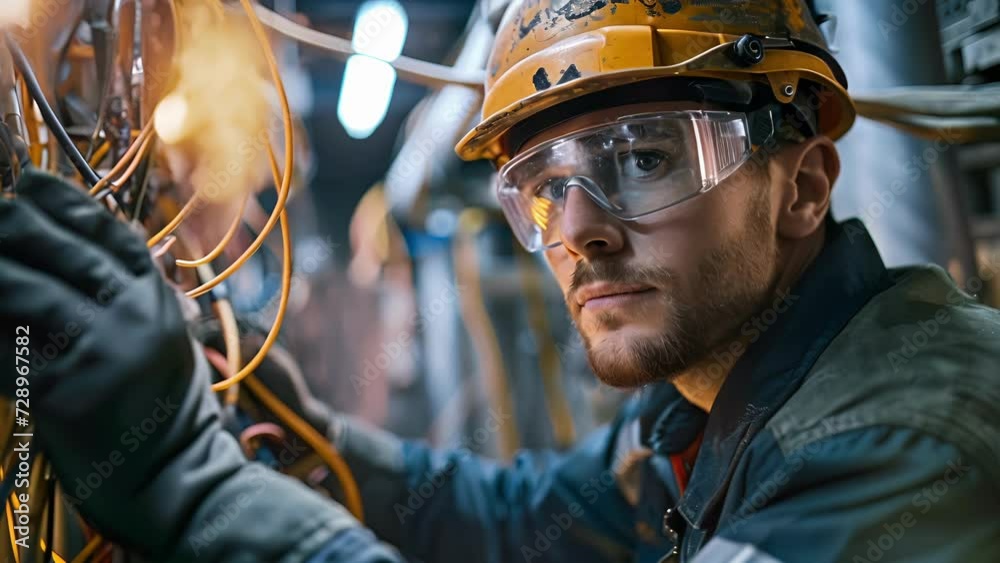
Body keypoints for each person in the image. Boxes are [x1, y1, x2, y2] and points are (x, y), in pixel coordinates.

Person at [3, 1, 999, 562]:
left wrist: (187, 483)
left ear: (805, 184)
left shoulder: (896, 442)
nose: (578, 233)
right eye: (539, 187)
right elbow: (520, 516)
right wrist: (312, 443)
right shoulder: (713, 408)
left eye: (644, 159)